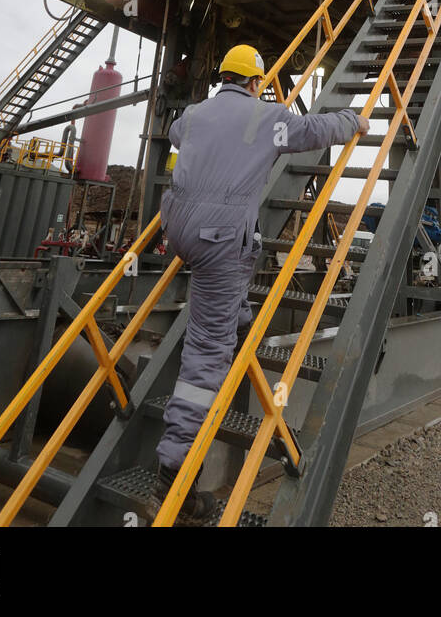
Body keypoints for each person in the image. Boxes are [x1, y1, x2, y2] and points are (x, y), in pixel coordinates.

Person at [138, 42, 368, 524]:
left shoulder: (197, 114)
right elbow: (312, 130)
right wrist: (353, 121)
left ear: (223, 77)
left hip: (177, 229)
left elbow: (176, 130)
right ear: (257, 83)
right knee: (205, 354)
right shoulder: (267, 118)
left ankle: (236, 317)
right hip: (218, 239)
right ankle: (174, 477)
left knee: (248, 248)